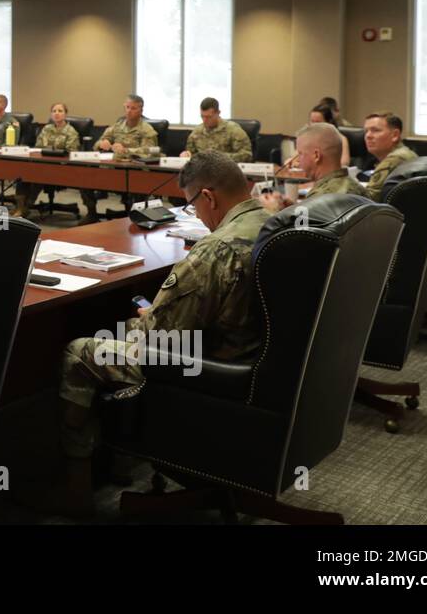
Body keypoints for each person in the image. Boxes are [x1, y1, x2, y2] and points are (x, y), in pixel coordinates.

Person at [57, 152, 270, 516]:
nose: (198, 217)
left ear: (209, 197)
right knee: (123, 327)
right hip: (255, 361)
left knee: (82, 350)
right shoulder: (271, 221)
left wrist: (148, 315)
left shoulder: (217, 248)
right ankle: (122, 458)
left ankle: (76, 490)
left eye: (191, 206)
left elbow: (158, 338)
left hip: (209, 369)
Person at [259, 122, 363, 213]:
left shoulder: (320, 198)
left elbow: (299, 232)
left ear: (316, 155)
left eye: (300, 154)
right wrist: (293, 209)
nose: (298, 161)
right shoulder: (359, 189)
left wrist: (274, 211)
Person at [14, 103, 80, 217]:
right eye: (54, 111)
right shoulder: (46, 129)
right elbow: (38, 146)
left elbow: (71, 152)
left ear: (65, 114)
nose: (57, 113)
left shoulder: (71, 131)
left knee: (38, 175)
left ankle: (26, 206)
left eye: (60, 111)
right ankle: (20, 206)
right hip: (43, 162)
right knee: (23, 173)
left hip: (61, 166)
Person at [361, 112, 417, 200]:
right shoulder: (404, 153)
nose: (368, 136)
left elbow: (368, 198)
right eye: (366, 131)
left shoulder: (394, 159)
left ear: (395, 135)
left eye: (375, 130)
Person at [181, 97, 251, 162]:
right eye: (202, 116)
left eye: (209, 117)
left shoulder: (233, 130)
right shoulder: (197, 132)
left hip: (226, 171)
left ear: (218, 113)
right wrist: (186, 154)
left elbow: (247, 155)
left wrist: (218, 158)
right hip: (202, 171)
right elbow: (190, 153)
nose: (205, 120)